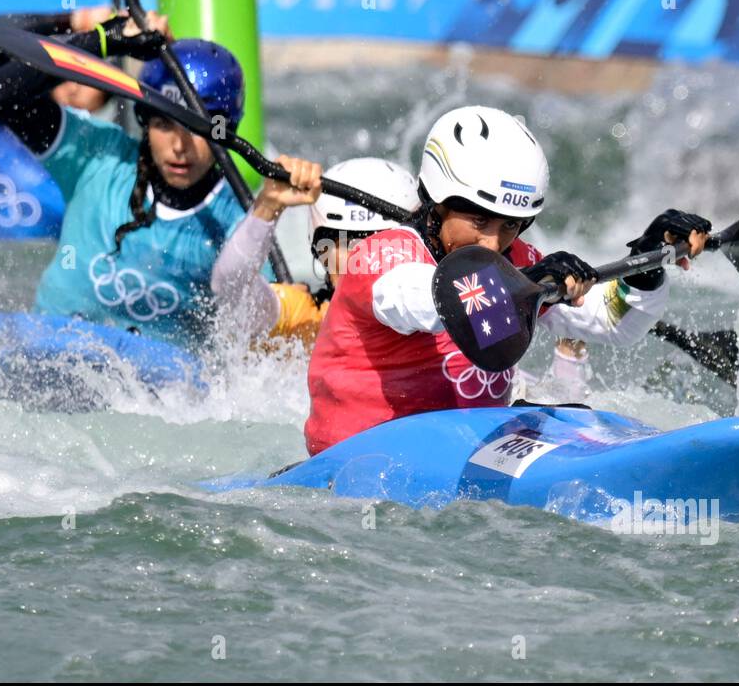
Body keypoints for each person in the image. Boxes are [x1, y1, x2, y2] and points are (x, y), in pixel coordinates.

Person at [304, 105, 711, 456]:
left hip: (465, 445)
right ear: (437, 204)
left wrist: (647, 263)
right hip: (359, 454)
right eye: (479, 220)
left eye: (511, 225)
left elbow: (612, 323)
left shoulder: (514, 260)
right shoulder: (381, 257)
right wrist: (523, 281)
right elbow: (428, 302)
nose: (493, 241)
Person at [0, 11, 309, 350]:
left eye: (196, 129)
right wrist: (105, 40)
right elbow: (1, 95)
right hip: (42, 354)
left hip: (146, 392)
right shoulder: (97, 157)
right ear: (145, 122)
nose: (180, 146)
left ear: (225, 133)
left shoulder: (239, 235)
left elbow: (255, 346)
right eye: (164, 124)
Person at [0, 7, 114, 240]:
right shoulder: (11, 108)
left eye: (88, 75)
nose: (74, 84)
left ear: (108, 91)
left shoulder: (97, 170)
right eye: (69, 70)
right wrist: (71, 21)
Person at [210, 156, 419, 344]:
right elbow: (230, 285)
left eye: (382, 241)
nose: (366, 258)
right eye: (348, 242)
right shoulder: (305, 320)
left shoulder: (442, 318)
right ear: (321, 252)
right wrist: (269, 205)